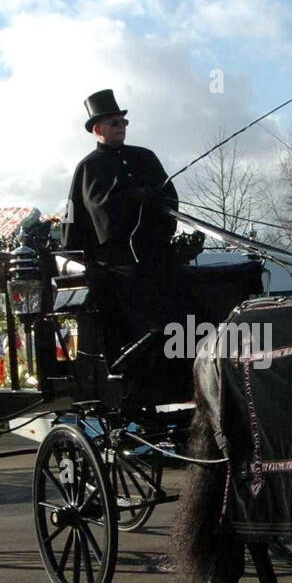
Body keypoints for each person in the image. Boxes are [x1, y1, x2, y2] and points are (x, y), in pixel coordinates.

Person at [64, 90, 186, 374]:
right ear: (97, 129)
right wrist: (132, 199)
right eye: (113, 123)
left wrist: (155, 200)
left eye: (123, 122)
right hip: (117, 261)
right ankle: (143, 367)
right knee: (139, 293)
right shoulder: (90, 167)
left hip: (156, 252)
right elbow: (99, 209)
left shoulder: (145, 156)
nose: (120, 127)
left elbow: (169, 195)